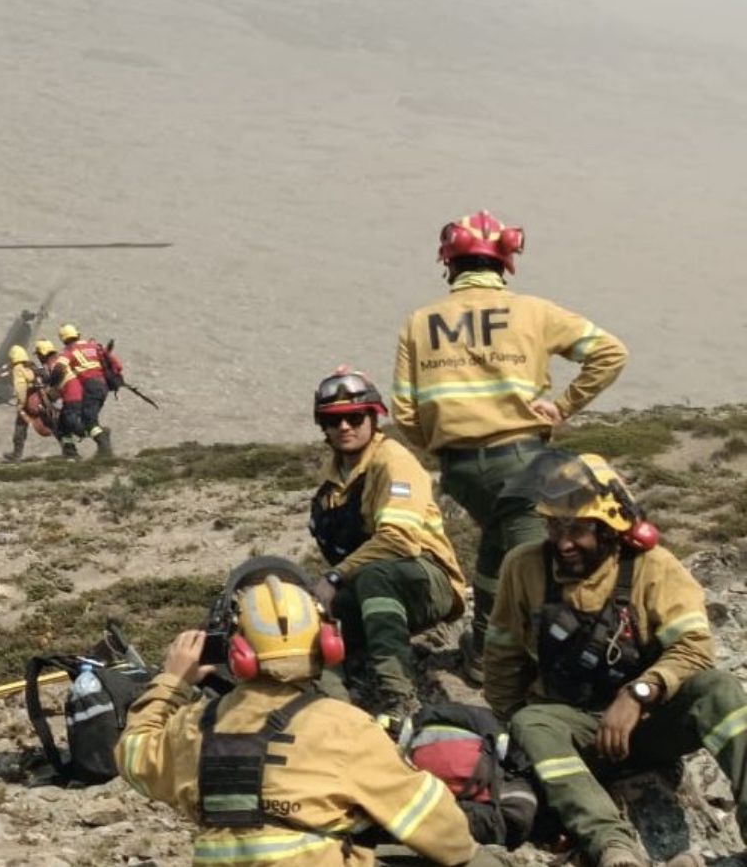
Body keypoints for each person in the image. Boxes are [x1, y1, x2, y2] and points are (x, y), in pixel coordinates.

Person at [115, 556, 493, 867]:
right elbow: (445, 835)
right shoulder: (344, 728)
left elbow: (133, 757)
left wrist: (172, 681)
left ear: (237, 649)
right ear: (327, 642)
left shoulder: (195, 725)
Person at [392, 210, 628, 684]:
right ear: (504, 265)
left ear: (449, 264)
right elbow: (611, 353)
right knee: (544, 567)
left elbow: (404, 412)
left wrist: (443, 446)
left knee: (496, 553)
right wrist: (563, 406)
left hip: (460, 471)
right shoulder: (534, 312)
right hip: (524, 461)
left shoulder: (419, 322)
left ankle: (483, 654)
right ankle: (558, 670)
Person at [484, 451, 741, 867]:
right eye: (554, 526)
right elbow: (502, 655)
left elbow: (695, 648)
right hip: (573, 729)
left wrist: (639, 693)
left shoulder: (654, 567)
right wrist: (520, 741)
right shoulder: (524, 566)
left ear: (610, 528)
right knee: (529, 722)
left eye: (577, 529)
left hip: (648, 725)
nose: (563, 542)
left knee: (721, 691)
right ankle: (612, 845)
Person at [309, 367, 467, 721]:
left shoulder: (394, 462)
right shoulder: (333, 476)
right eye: (334, 420)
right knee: (311, 617)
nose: (344, 427)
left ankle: (400, 696)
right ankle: (336, 708)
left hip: (426, 579)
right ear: (323, 426)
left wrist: (335, 576)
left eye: (354, 417)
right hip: (366, 582)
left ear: (373, 417)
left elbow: (400, 540)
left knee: (375, 576)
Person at [56, 323, 117, 458]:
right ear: (77, 334)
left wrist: (51, 383)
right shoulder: (93, 347)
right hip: (103, 386)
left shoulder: (70, 351)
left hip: (90, 386)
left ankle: (104, 447)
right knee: (89, 418)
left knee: (89, 421)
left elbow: (59, 368)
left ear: (63, 339)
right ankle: (101, 446)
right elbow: (116, 363)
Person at [2, 344, 53, 462]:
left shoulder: (18, 369)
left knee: (20, 427)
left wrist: (20, 405)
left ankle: (17, 454)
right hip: (40, 401)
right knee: (49, 423)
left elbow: (20, 389)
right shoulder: (32, 366)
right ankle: (67, 448)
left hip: (28, 403)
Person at [36, 338, 83, 460]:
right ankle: (70, 452)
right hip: (74, 395)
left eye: (39, 355)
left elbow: (55, 387)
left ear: (43, 353)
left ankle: (94, 433)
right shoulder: (59, 360)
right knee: (62, 426)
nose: (38, 358)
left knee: (66, 423)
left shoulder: (53, 365)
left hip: (70, 397)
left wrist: (49, 394)